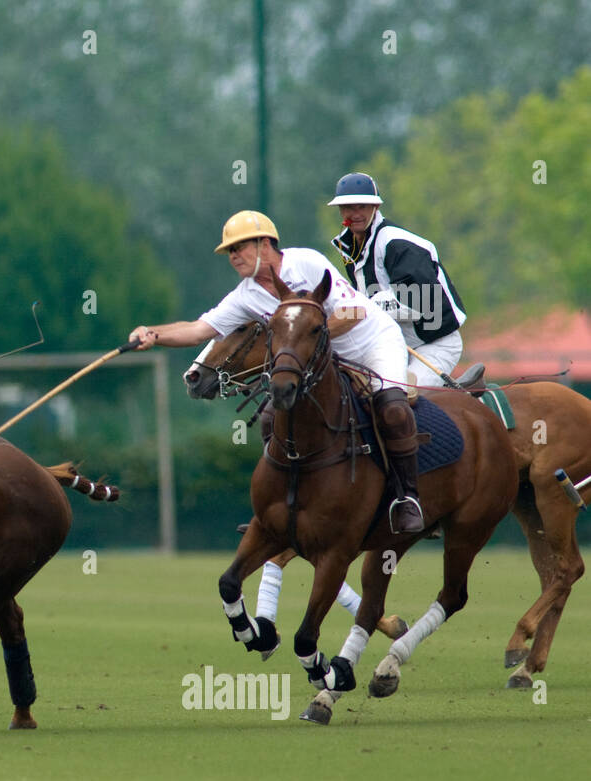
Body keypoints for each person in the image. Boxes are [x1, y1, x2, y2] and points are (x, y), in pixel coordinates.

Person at [128, 210, 425, 535]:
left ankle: (406, 498)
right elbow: (198, 330)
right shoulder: (244, 296)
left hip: (373, 343)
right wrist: (154, 334)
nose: (234, 256)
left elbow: (353, 312)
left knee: (393, 409)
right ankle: (282, 503)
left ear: (266, 243)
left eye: (240, 247)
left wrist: (308, 335)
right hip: (323, 361)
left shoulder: (306, 263)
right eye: (230, 251)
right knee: (273, 416)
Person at [329, 172, 476, 389]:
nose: (355, 213)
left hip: (434, 344)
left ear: (375, 207)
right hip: (397, 346)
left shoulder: (397, 244)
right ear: (341, 211)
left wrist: (361, 309)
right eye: (349, 207)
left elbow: (419, 303)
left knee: (399, 396)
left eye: (362, 206)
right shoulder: (352, 247)